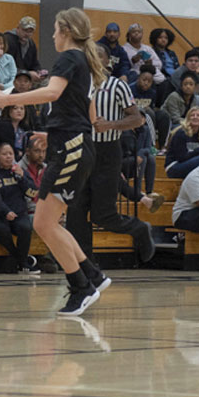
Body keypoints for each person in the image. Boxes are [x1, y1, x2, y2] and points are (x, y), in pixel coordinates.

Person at [0, 7, 109, 316]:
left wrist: (8, 99)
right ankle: (92, 275)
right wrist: (53, 133)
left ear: (66, 31)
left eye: (56, 30)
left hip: (71, 148)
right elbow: (88, 115)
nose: (53, 35)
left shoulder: (70, 57)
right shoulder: (83, 62)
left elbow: (53, 92)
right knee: (49, 222)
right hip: (72, 144)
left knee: (43, 223)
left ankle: (82, 287)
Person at [66, 44, 155, 263]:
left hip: (107, 152)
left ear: (108, 61)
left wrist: (111, 124)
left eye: (99, 55)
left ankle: (140, 228)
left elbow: (137, 119)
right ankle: (84, 264)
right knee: (75, 213)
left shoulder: (117, 86)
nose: (94, 58)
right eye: (90, 55)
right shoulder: (76, 85)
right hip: (81, 150)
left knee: (103, 215)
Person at [0, 142, 39, 274]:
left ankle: (21, 262)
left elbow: (32, 193)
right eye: (4, 154)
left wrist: (22, 177)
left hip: (19, 212)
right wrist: (5, 211)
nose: (8, 157)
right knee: (1, 229)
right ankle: (21, 260)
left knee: (25, 228)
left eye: (11, 154)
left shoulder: (19, 171)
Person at [169, 51, 199, 125]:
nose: (193, 63)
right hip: (179, 102)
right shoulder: (178, 73)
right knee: (197, 98)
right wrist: (196, 91)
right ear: (185, 62)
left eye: (196, 61)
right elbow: (185, 91)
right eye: (190, 60)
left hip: (194, 101)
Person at [165, 107, 199, 179]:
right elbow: (181, 157)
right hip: (174, 166)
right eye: (192, 115)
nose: (195, 117)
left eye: (198, 115)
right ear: (188, 118)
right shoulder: (181, 133)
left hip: (193, 166)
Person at [130, 65, 170, 148]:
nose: (146, 83)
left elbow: (152, 107)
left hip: (148, 117)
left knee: (164, 115)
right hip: (133, 115)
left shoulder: (152, 92)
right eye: (144, 80)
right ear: (138, 78)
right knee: (149, 113)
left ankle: (162, 146)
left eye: (149, 81)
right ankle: (151, 145)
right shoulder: (130, 89)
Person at [4, 16, 43, 81]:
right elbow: (6, 66)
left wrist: (39, 72)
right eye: (25, 30)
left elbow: (35, 63)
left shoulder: (31, 43)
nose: (27, 34)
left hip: (24, 78)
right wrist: (27, 73)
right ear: (18, 28)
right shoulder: (8, 40)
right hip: (9, 78)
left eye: (30, 32)